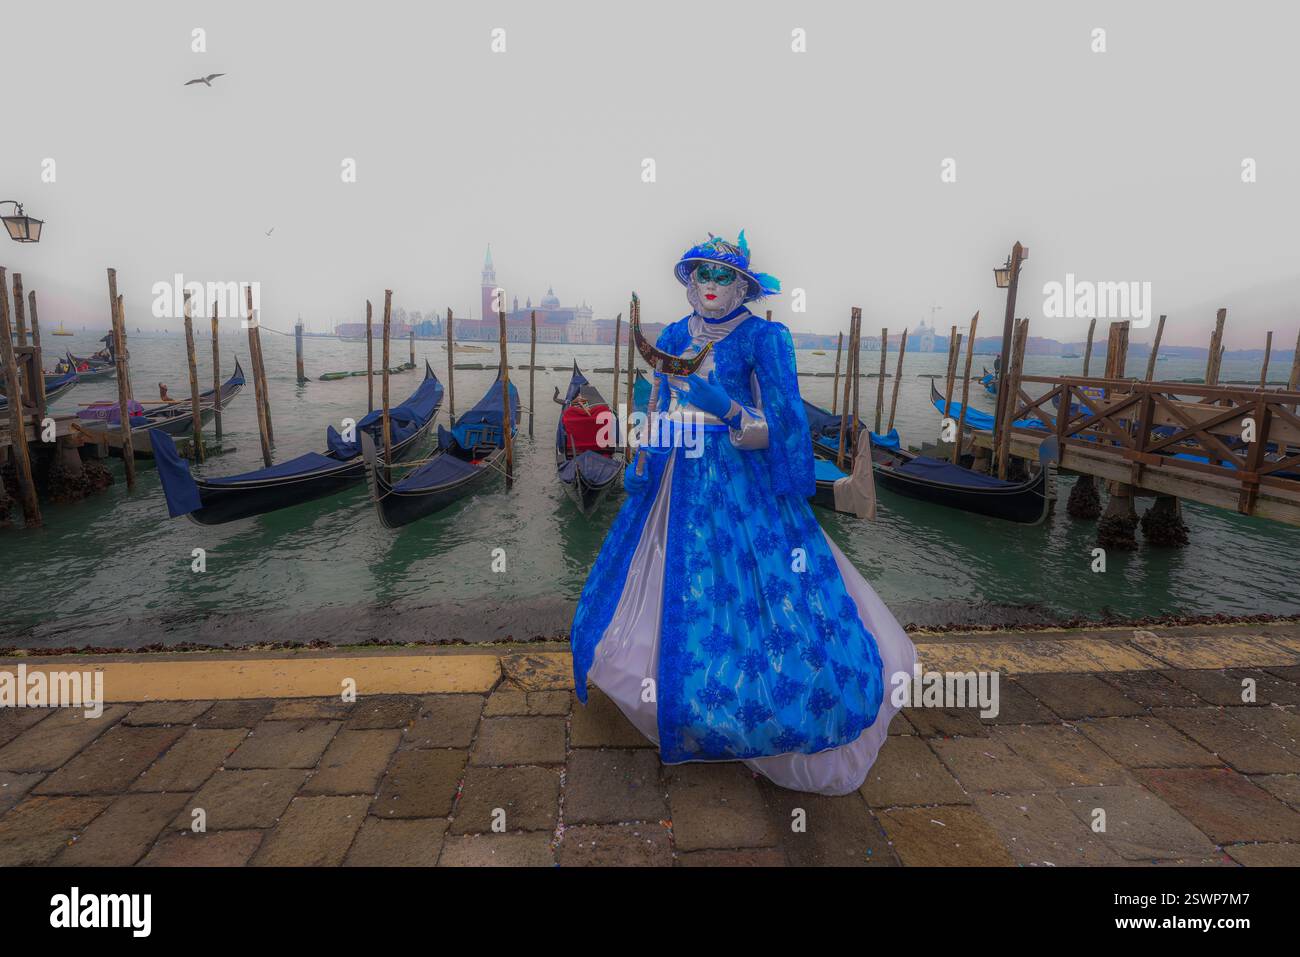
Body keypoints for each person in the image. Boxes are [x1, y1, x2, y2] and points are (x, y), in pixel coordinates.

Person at [569, 231, 916, 795]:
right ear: (688, 282)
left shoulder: (764, 338)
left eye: (721, 275)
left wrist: (728, 409)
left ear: (743, 285)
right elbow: (659, 403)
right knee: (657, 579)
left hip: (736, 478)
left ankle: (739, 707)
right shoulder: (676, 335)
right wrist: (639, 454)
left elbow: (780, 427)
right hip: (672, 473)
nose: (709, 285)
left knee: (749, 592)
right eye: (700, 274)